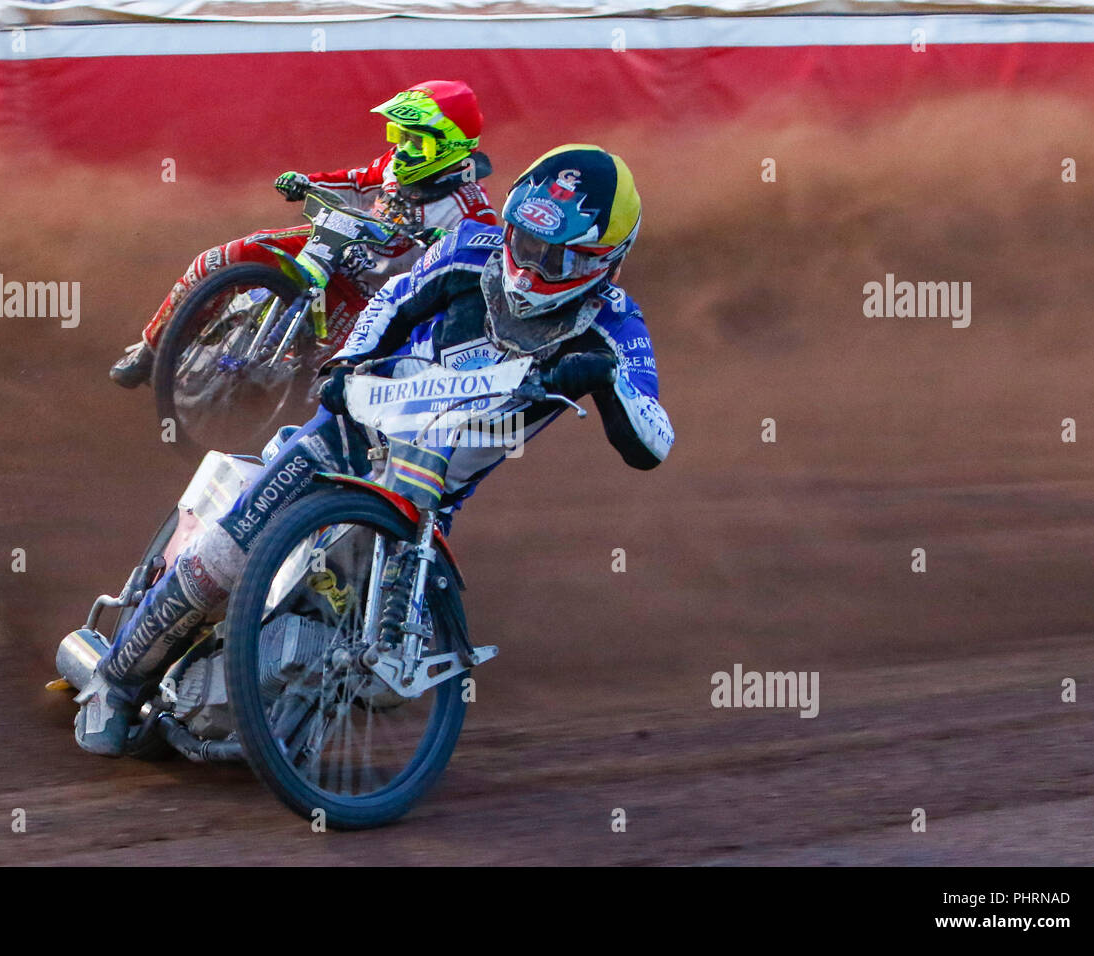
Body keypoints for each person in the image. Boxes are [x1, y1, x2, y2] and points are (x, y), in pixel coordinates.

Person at [75, 144, 674, 755]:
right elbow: (390, 300)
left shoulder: (616, 327)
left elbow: (655, 439)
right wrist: (347, 362)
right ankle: (114, 684)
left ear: (608, 260)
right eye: (525, 243)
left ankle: (280, 719)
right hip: (352, 431)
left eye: (560, 257)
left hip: (428, 493)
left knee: (382, 671)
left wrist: (607, 380)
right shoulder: (470, 249)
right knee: (231, 549)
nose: (533, 267)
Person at [109, 80, 499, 388]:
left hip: (375, 296)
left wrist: (442, 249)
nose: (402, 149)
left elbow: (478, 285)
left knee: (334, 378)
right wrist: (305, 182)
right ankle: (150, 351)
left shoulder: (474, 212)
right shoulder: (393, 166)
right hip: (334, 244)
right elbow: (352, 182)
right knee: (218, 260)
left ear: (451, 146)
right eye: (399, 135)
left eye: (418, 141)